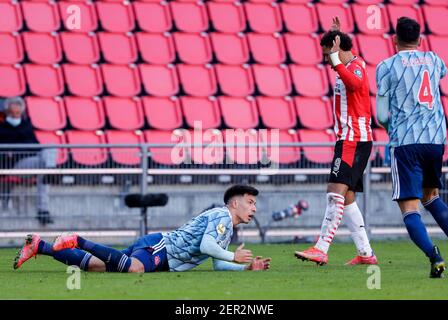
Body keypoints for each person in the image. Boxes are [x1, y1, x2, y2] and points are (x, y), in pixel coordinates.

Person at [13, 185, 271, 273]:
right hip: (162, 247)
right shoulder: (220, 215)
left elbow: (216, 261)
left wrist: (244, 266)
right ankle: (77, 239)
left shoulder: (226, 227)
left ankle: (40, 246)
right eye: (250, 203)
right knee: (134, 269)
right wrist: (233, 256)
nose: (254, 208)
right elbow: (207, 248)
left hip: (163, 254)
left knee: (95, 266)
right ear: (234, 203)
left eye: (255, 204)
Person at [294, 19, 377, 266]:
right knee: (347, 197)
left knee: (334, 192)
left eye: (328, 55)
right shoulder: (346, 66)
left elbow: (355, 84)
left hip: (354, 139)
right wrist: (335, 37)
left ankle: (321, 248)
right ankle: (366, 254)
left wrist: (336, 59)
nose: (327, 62)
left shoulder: (356, 66)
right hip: (348, 139)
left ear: (338, 51)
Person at [376, 17, 448, 278]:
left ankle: (434, 255)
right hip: (435, 140)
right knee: (432, 196)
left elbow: (381, 115)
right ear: (420, 40)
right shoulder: (434, 59)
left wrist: (391, 128)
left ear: (394, 40)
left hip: (406, 142)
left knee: (410, 208)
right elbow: (441, 73)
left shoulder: (386, 67)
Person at [0, 97, 57, 225]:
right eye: (13, 114)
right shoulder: (2, 128)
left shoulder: (26, 125)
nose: (15, 116)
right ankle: (50, 171)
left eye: (18, 113)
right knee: (44, 168)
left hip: (32, 161)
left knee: (50, 148)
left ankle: (44, 209)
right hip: (14, 166)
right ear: (7, 112)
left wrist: (20, 147)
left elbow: (35, 145)